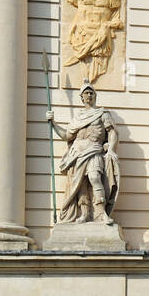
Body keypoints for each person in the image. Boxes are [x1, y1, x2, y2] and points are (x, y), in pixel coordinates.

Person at [47, 83, 120, 224]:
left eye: (91, 93)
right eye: (86, 93)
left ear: (95, 96)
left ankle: (101, 213)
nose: (89, 95)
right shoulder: (77, 118)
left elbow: (112, 132)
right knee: (81, 184)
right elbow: (67, 136)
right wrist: (53, 123)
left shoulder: (102, 114)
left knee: (94, 178)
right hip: (77, 154)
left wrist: (111, 148)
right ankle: (85, 214)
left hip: (94, 151)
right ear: (81, 97)